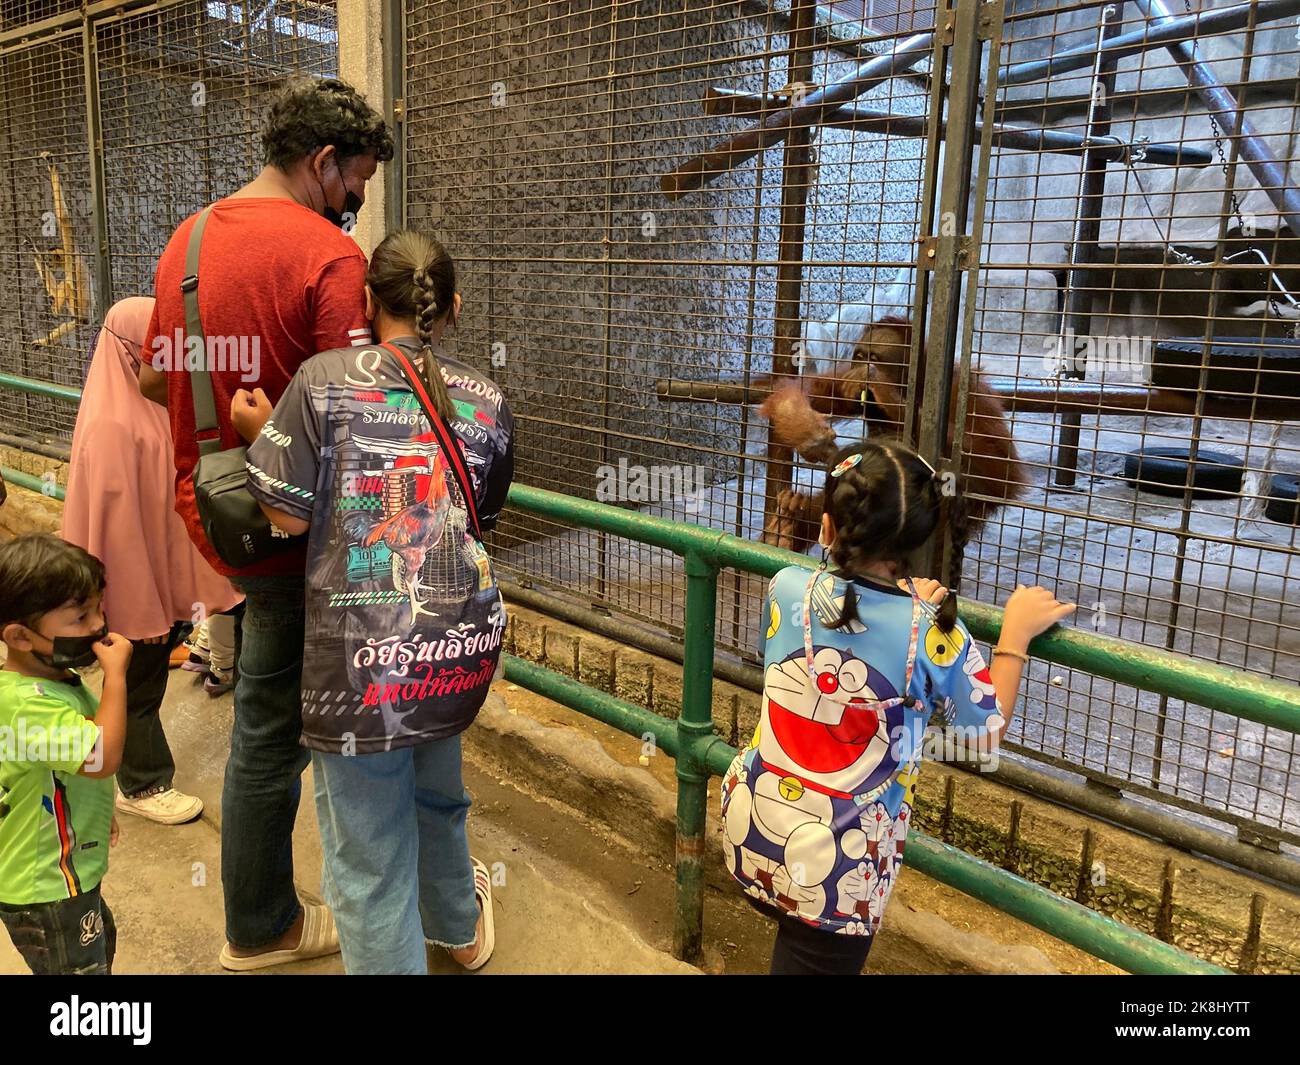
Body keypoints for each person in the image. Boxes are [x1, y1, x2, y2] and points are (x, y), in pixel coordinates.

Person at [138, 75, 394, 970]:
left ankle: (263, 905)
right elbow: (358, 418)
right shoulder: (328, 258)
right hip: (293, 530)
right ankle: (259, 923)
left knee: (262, 700)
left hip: (214, 509)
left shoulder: (187, 240)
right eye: (354, 185)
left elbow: (162, 374)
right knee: (270, 728)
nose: (355, 208)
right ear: (322, 163)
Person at [241, 231, 514, 974]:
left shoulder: (322, 379)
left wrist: (251, 434)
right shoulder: (487, 400)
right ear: (452, 309)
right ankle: (459, 928)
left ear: (367, 304)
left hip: (355, 667)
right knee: (439, 791)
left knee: (368, 860)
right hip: (448, 646)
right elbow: (482, 510)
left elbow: (287, 514)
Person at [721, 440, 1076, 975]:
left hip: (751, 827)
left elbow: (836, 611)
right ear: (918, 539)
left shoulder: (785, 586)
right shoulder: (935, 631)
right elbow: (984, 733)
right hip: (841, 872)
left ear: (825, 528)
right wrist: (1015, 635)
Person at [61, 297, 242, 825]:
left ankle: (135, 775)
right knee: (136, 681)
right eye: (150, 344)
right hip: (130, 588)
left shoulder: (143, 409)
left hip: (154, 582)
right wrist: (143, 611)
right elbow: (120, 535)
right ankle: (140, 785)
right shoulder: (113, 429)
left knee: (144, 681)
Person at [0, 535, 133, 974]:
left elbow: (65, 767)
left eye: (98, 608)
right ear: (20, 636)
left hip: (62, 874)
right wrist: (116, 678)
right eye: (80, 617)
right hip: (48, 888)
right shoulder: (28, 704)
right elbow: (99, 758)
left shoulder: (49, 681)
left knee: (96, 953)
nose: (98, 625)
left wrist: (92, 810)